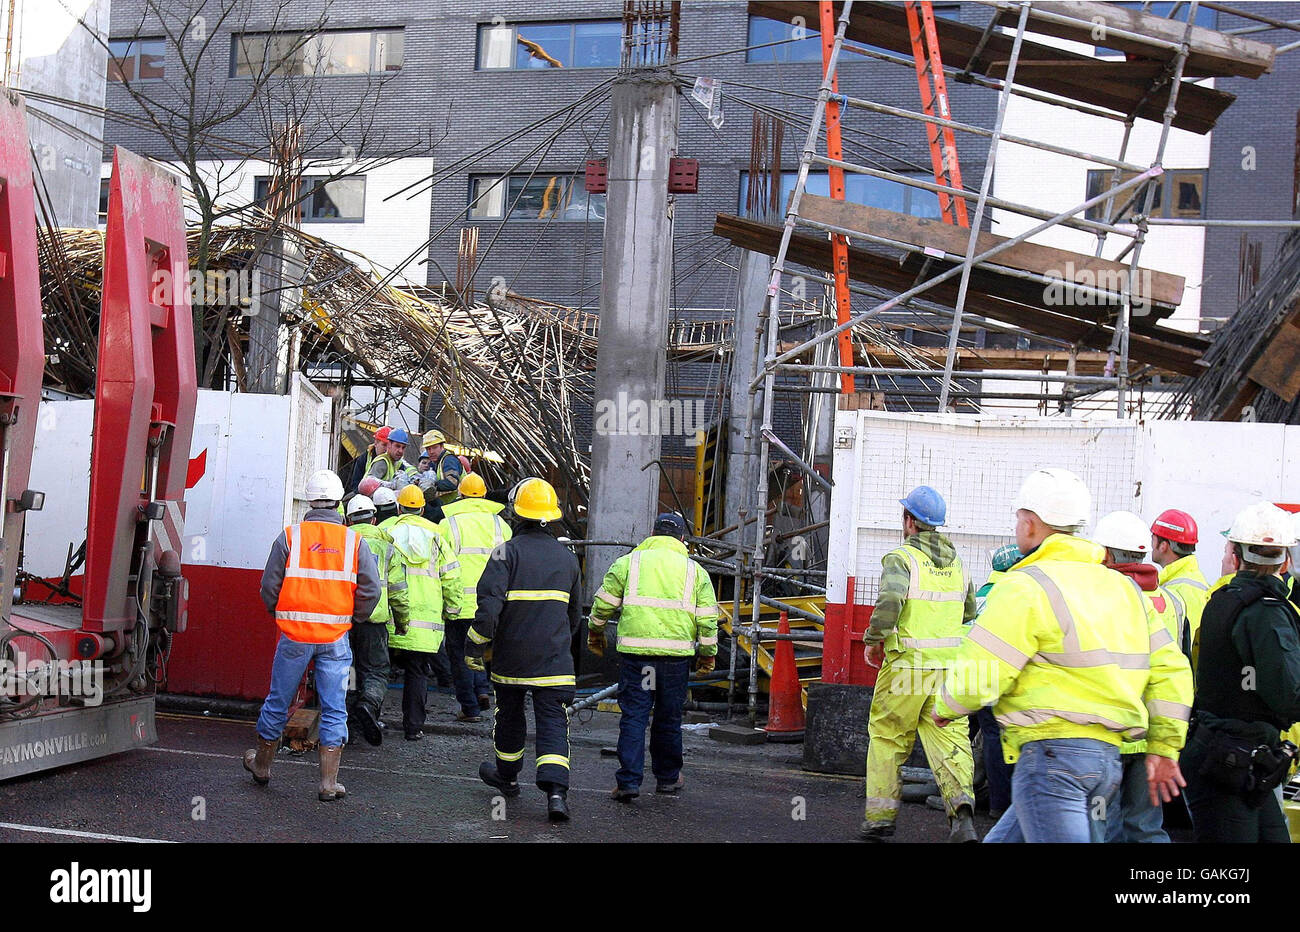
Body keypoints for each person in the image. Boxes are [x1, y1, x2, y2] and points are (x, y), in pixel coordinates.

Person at [931, 468, 1193, 844]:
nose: (1017, 525)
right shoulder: (1125, 590)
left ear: (1032, 524)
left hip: (1052, 762)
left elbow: (985, 666)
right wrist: (1165, 746)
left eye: (1019, 517)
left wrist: (948, 704)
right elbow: (1171, 671)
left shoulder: (1026, 586)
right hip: (1106, 763)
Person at [244, 469, 380, 800]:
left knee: (279, 700)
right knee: (335, 707)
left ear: (309, 501)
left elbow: (269, 586)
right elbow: (371, 590)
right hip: (335, 637)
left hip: (294, 636)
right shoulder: (354, 540)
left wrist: (277, 612)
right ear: (338, 503)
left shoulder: (290, 537)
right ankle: (328, 783)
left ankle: (262, 766)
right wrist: (354, 617)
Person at [859, 485, 979, 844]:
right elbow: (970, 612)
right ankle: (962, 813)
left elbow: (890, 601)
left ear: (909, 521)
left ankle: (880, 819)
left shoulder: (902, 559)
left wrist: (873, 639)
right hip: (947, 672)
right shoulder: (959, 564)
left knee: (888, 737)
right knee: (950, 739)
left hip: (906, 670)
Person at [1181, 501, 1300, 844]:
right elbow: (1287, 695)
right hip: (1234, 763)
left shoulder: (1220, 600)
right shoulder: (1268, 613)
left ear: (1235, 556)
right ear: (1285, 560)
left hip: (1227, 756)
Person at [467, 478, 582, 822]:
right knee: (552, 721)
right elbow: (575, 615)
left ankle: (508, 776)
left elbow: (488, 611)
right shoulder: (567, 558)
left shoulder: (506, 552)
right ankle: (556, 795)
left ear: (516, 514)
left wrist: (474, 648)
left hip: (512, 658)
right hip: (554, 659)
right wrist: (555, 640)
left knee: (510, 715)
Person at [589, 512, 719, 801]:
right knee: (668, 718)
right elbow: (708, 621)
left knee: (634, 717)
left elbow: (602, 606)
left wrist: (594, 634)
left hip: (637, 659)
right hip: (674, 661)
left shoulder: (628, 563)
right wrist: (707, 656)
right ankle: (668, 778)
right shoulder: (694, 571)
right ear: (683, 539)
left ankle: (628, 782)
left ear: (652, 534)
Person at [1093, 510, 1185, 843]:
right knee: (1145, 827)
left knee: (1097, 824)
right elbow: (1178, 666)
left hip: (1110, 733)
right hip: (1153, 735)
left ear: (1104, 553)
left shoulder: (1099, 599)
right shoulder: (1170, 601)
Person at [385, 484, 462, 740]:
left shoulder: (387, 531)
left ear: (399, 508)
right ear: (421, 508)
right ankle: (414, 727)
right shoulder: (437, 535)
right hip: (427, 621)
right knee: (417, 673)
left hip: (391, 618)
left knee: (375, 670)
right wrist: (453, 610)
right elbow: (451, 575)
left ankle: (368, 718)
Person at [437, 472, 511, 722]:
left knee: (459, 655)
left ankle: (469, 707)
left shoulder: (449, 525)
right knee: (479, 650)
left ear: (460, 495)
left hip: (459, 603)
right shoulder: (502, 526)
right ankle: (482, 690)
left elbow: (441, 565)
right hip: (491, 604)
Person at [344, 494, 402, 747]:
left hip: (344, 619)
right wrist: (402, 621)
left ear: (348, 519)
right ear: (375, 519)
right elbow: (399, 591)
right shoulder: (388, 548)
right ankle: (368, 705)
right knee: (376, 670)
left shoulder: (343, 543)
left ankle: (347, 724)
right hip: (375, 622)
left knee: (350, 670)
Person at [1151, 509, 1209, 661]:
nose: (1151, 545)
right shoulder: (1201, 584)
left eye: (1153, 538)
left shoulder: (1173, 592)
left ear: (1164, 545)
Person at [417, 429, 464, 513]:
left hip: (457, 505)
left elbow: (452, 483)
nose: (431, 452)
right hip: (450, 505)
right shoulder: (437, 463)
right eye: (428, 449)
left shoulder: (449, 460)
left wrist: (432, 485)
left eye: (434, 447)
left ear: (442, 446)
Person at [346, 426, 389, 494]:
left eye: (389, 446)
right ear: (376, 443)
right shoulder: (363, 459)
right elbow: (355, 484)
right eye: (384, 445)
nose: (386, 449)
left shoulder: (395, 461)